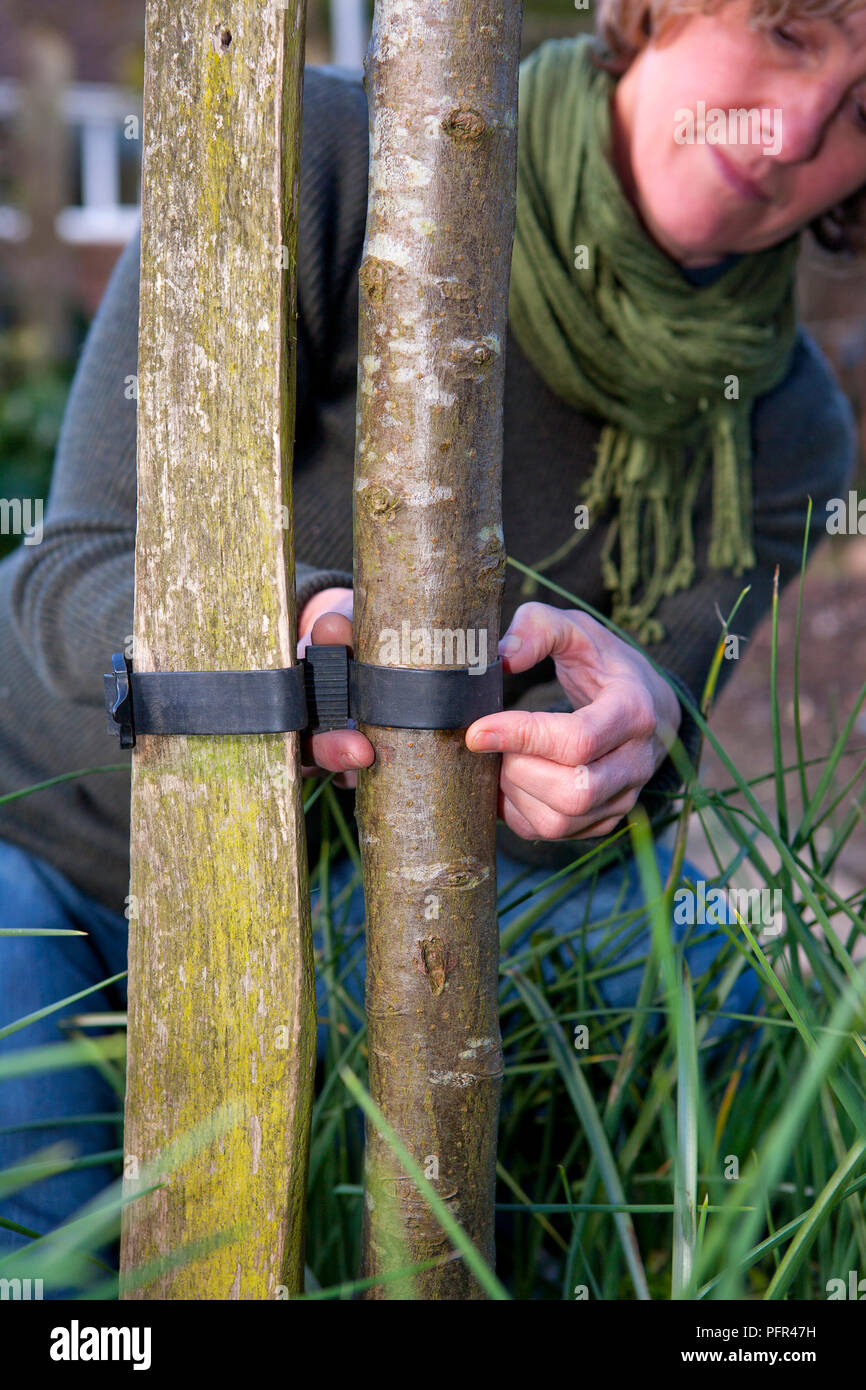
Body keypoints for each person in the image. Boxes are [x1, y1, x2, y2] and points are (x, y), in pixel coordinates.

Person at [0, 0, 861, 1266]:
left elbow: (626, 782)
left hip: (389, 892)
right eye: (787, 36)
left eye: (862, 113)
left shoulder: (787, 429)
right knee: (56, 1260)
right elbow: (66, 572)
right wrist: (290, 637)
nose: (786, 130)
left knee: (753, 995)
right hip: (61, 846)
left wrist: (619, 747)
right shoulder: (336, 157)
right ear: (660, 9)